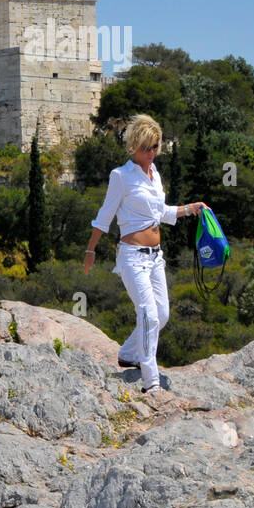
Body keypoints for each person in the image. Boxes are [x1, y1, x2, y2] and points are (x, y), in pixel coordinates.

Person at [84, 114, 207, 394]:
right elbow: (104, 216)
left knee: (161, 314)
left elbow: (160, 212)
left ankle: (129, 353)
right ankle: (150, 380)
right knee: (148, 314)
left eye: (155, 147)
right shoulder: (121, 176)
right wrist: (91, 250)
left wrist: (191, 208)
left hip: (155, 257)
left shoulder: (155, 175)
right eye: (146, 147)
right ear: (134, 146)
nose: (151, 153)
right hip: (132, 257)